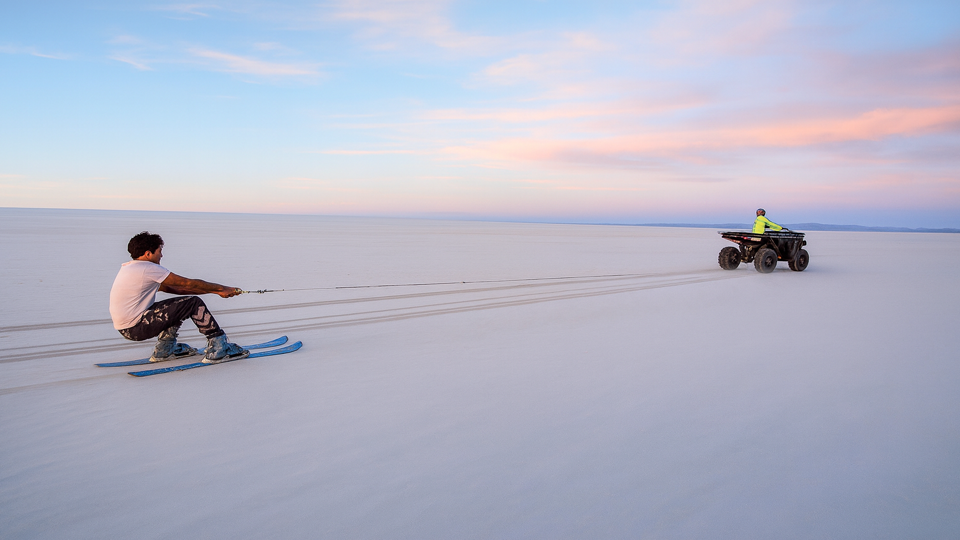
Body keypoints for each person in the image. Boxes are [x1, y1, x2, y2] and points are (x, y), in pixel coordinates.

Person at [109, 231, 248, 363]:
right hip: (137, 327)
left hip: (128, 328)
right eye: (159, 251)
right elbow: (188, 283)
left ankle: (164, 349)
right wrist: (223, 288)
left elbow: (177, 289)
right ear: (148, 254)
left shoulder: (130, 268)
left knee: (179, 306)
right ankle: (219, 347)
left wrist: (216, 292)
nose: (161, 255)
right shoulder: (147, 268)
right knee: (193, 303)